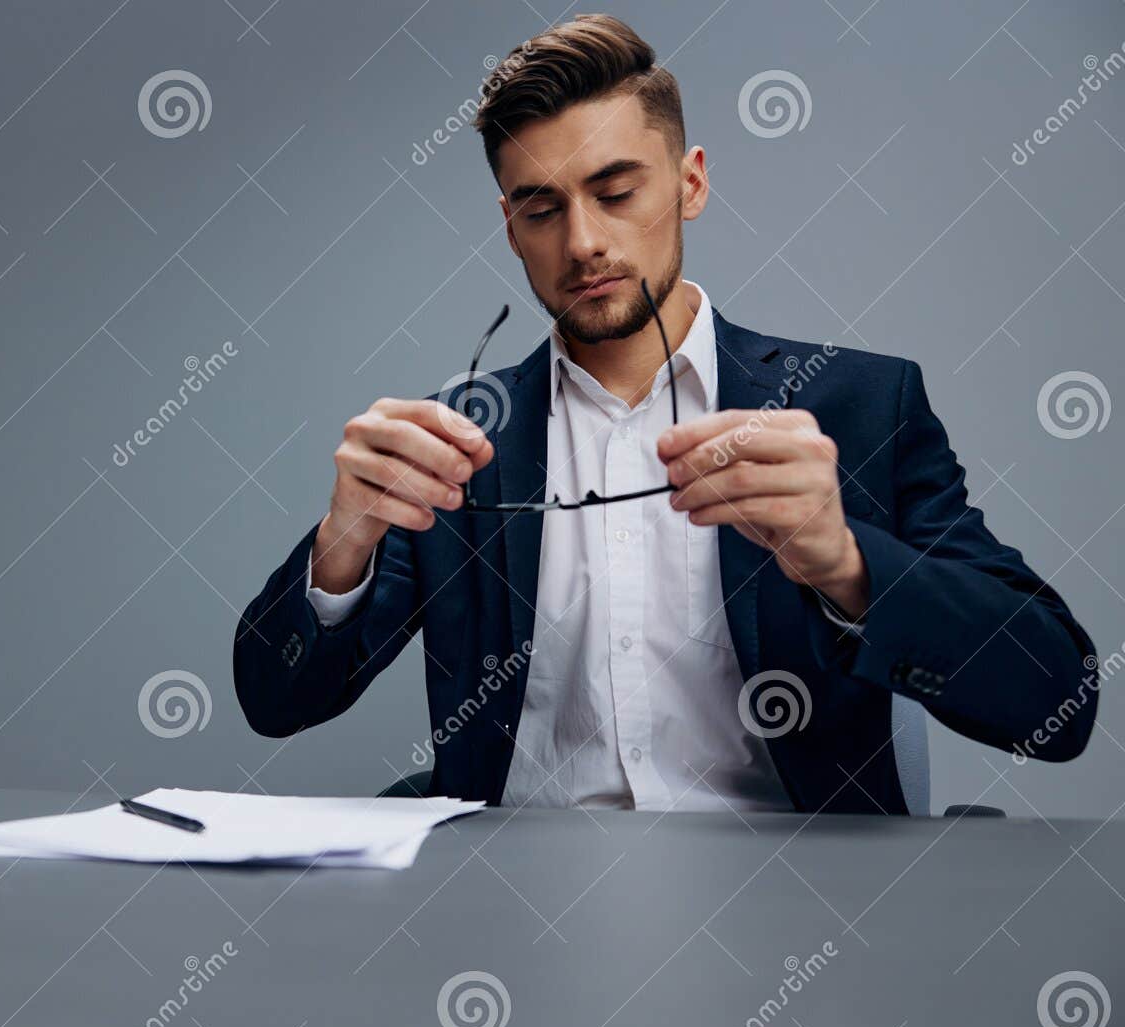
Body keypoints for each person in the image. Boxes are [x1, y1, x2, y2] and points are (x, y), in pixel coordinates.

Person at [232, 14, 1096, 813]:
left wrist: (848, 565)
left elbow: (1057, 703)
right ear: (509, 225)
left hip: (794, 913)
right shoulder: (455, 442)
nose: (583, 244)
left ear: (691, 183)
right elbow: (278, 701)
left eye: (616, 192)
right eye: (542, 210)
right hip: (514, 919)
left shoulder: (860, 407)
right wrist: (342, 541)